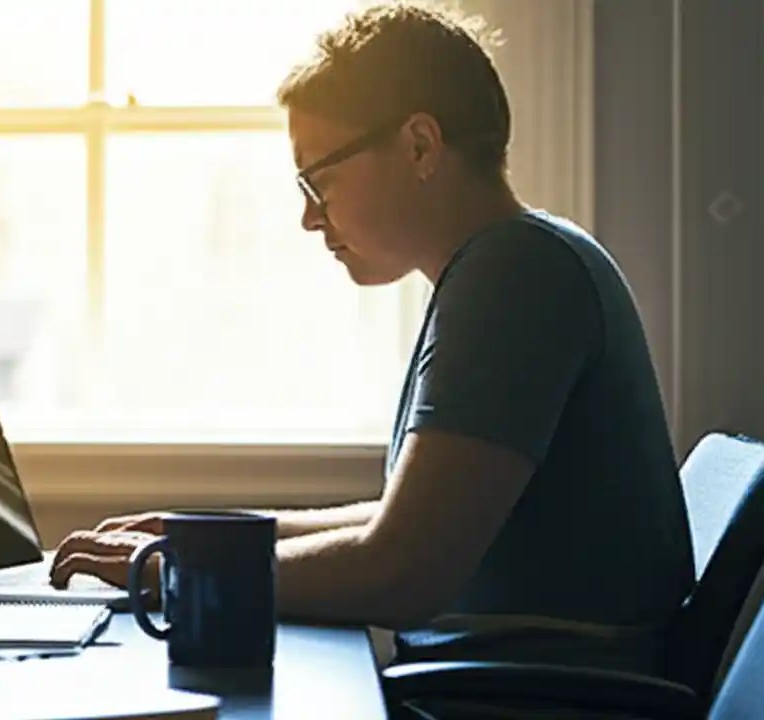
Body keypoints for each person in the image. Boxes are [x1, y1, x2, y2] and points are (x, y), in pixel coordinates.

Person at [48, 1, 694, 677]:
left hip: (526, 700)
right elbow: (404, 522)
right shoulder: (519, 262)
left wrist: (179, 575)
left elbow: (401, 571)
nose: (307, 217)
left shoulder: (516, 277)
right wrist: (201, 538)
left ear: (420, 145)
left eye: (317, 180)